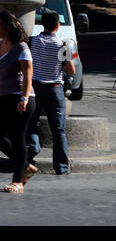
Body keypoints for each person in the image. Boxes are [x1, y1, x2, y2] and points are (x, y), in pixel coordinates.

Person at [0, 10, 35, 193]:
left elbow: (28, 74)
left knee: (17, 137)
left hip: (19, 97)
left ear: (7, 27)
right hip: (2, 97)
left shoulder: (21, 48)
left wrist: (24, 97)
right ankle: (26, 166)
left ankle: (18, 181)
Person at [28, 9, 74, 176]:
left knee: (31, 122)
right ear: (57, 25)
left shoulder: (33, 42)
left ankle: (33, 146)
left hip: (36, 88)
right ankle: (61, 167)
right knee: (58, 130)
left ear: (43, 24)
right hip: (55, 89)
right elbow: (71, 70)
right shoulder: (62, 45)